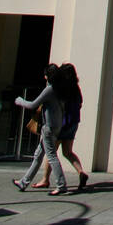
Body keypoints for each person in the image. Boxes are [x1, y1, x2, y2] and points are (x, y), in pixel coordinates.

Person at [12, 64, 68, 195]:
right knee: (38, 155)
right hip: (56, 125)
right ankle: (24, 182)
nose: (45, 77)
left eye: (46, 75)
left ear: (49, 76)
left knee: (51, 156)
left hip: (48, 127)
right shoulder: (61, 89)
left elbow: (33, 104)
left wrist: (20, 101)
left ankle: (61, 185)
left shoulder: (50, 89)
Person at [31, 63, 88, 192]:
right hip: (73, 123)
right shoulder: (76, 88)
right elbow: (80, 103)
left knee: (51, 152)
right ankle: (81, 172)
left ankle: (45, 179)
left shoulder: (61, 88)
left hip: (61, 123)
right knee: (68, 152)